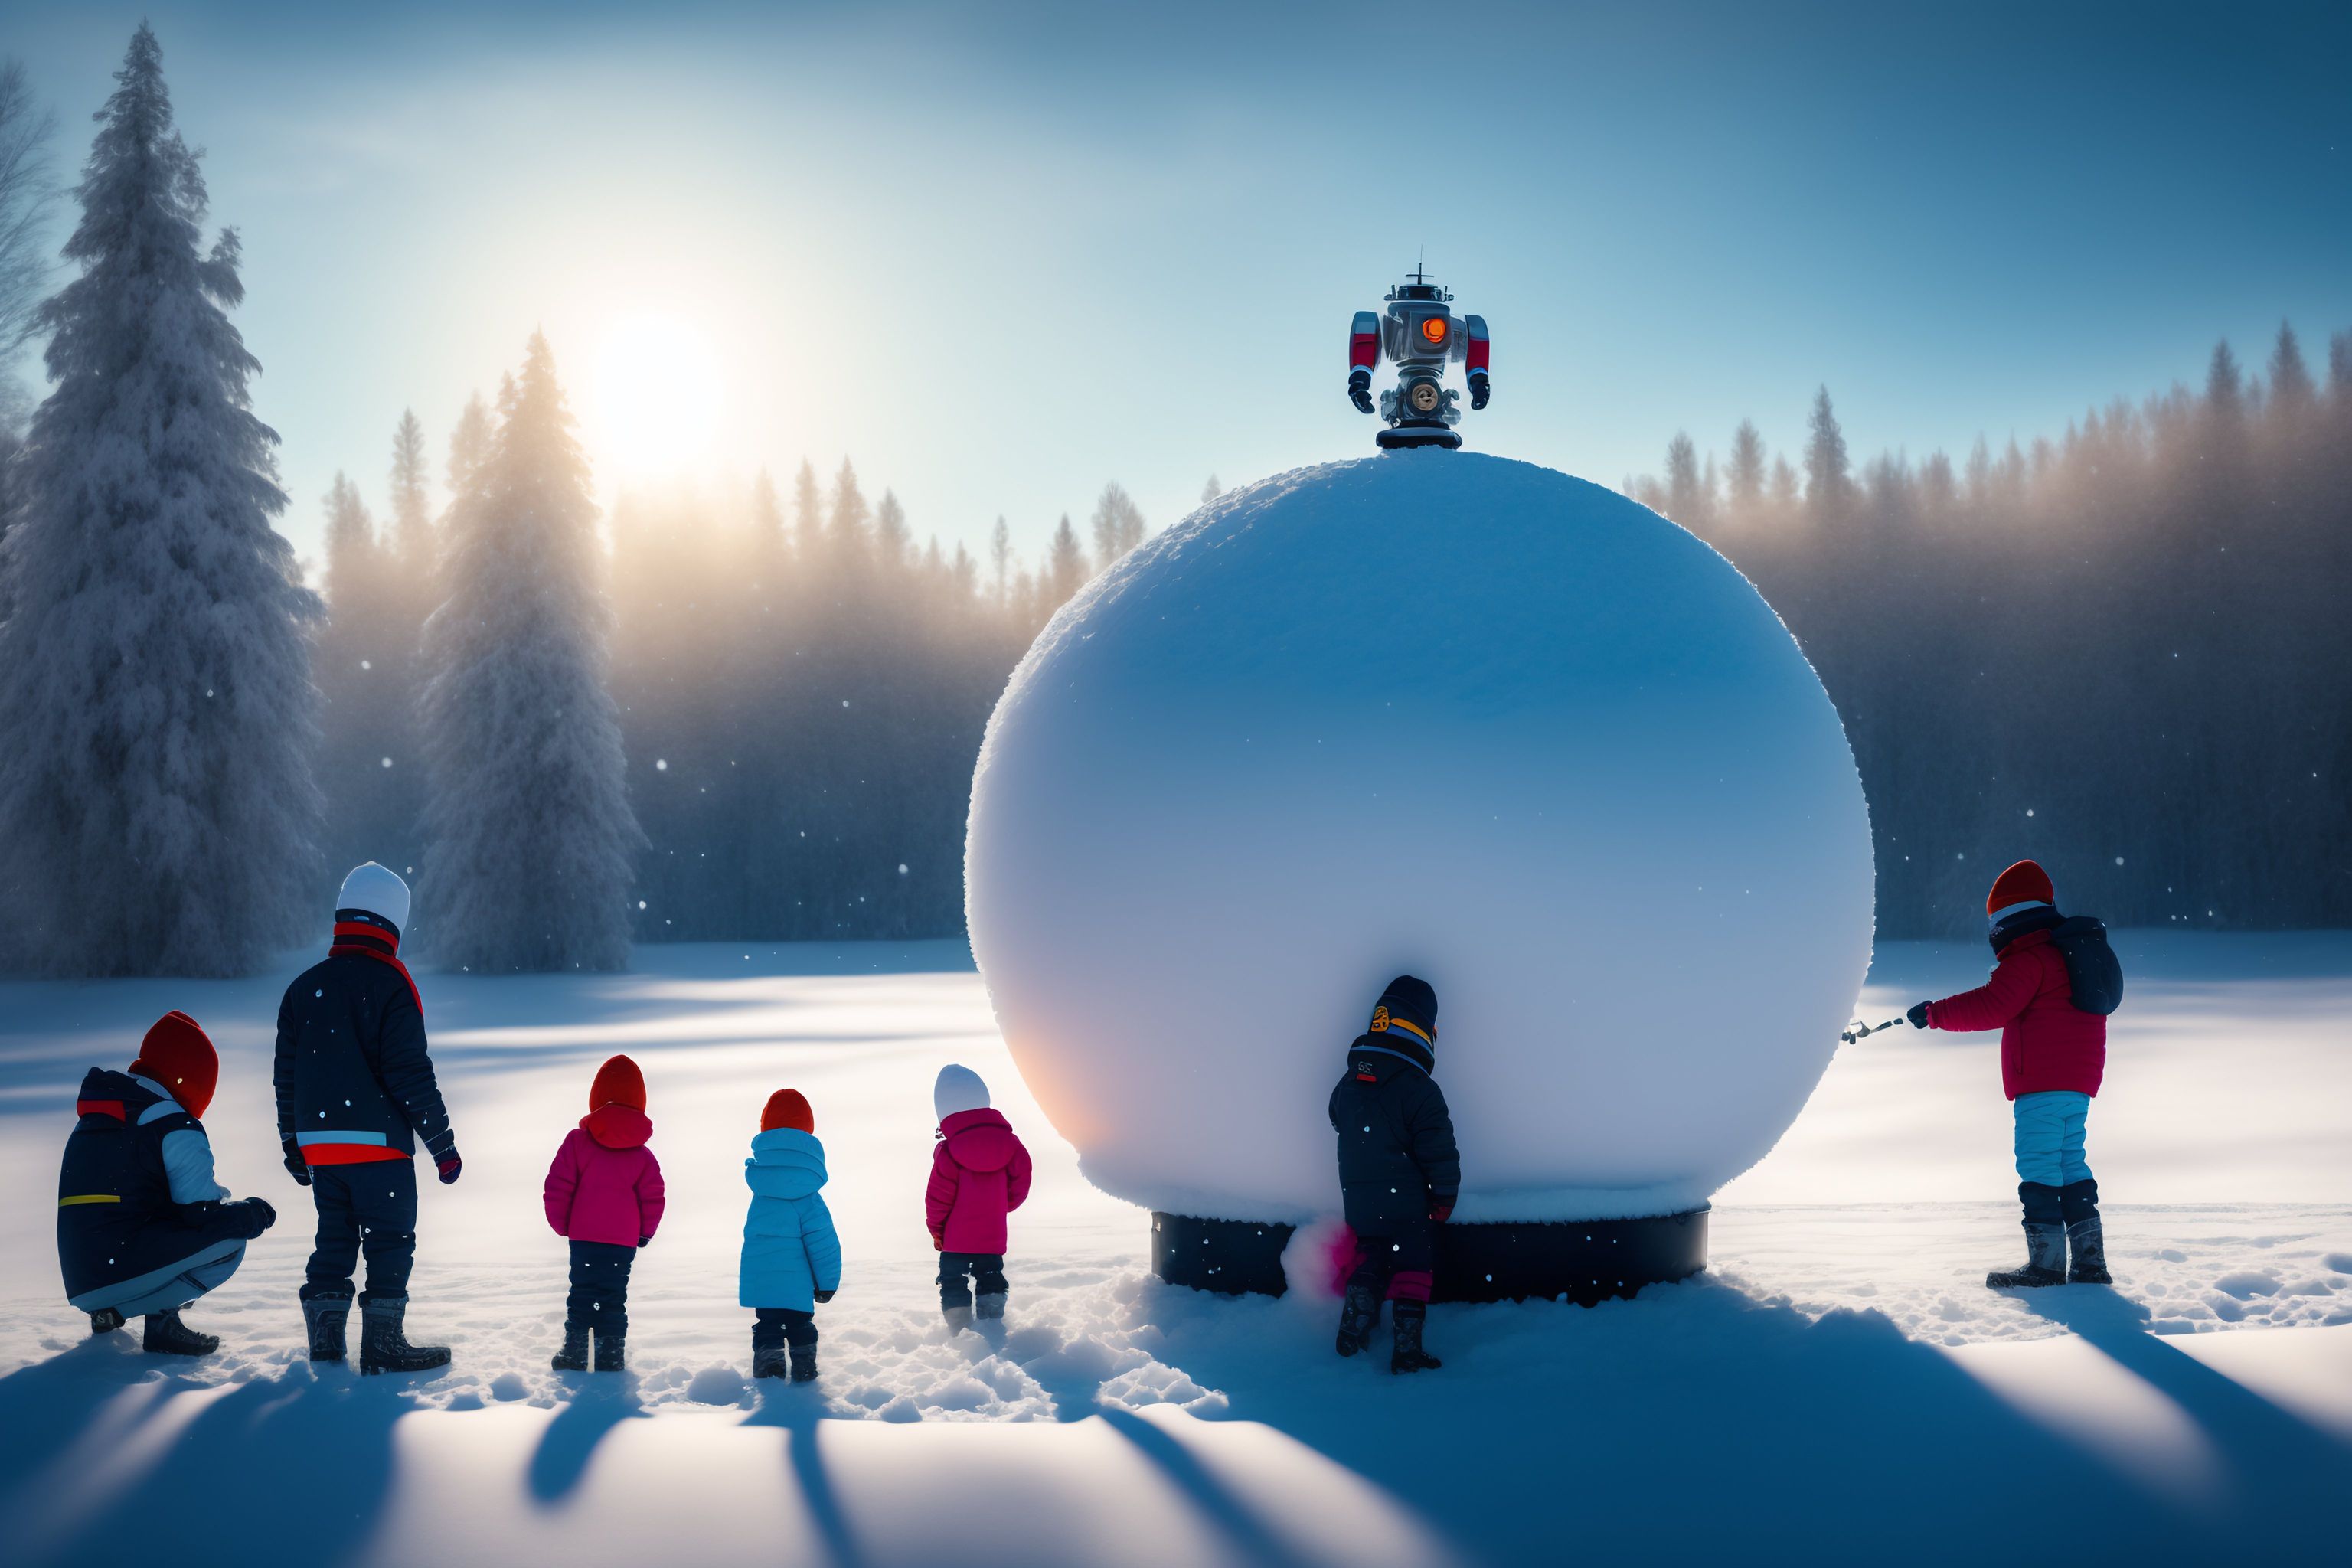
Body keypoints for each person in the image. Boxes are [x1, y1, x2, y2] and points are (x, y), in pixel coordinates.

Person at [274, 862, 461, 1373]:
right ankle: (382, 1342)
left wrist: (293, 1140)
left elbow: (286, 1076)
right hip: (378, 1146)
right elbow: (409, 1074)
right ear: (393, 924)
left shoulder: (303, 989)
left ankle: (326, 1336)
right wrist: (441, 1144)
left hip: (323, 1147)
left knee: (334, 1235)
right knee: (390, 1237)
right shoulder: (391, 987)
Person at [1909, 858, 2115, 1289]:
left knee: (2038, 1166)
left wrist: (1935, 1013)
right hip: (2077, 1083)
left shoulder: (2031, 958)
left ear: (2008, 918)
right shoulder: (2066, 955)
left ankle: (2046, 1266)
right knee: (2069, 1163)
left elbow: (1993, 1004)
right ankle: (2089, 1264)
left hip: (2041, 1081)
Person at [57, 1011, 277, 1354]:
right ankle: (148, 1321)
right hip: (115, 1274)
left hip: (82, 1278)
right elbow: (202, 1215)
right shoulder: (171, 1122)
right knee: (231, 1241)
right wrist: (253, 1214)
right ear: (192, 1075)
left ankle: (114, 1310)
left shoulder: (103, 1114)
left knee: (161, 1212)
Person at [1330, 975, 1459, 1374]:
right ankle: (1407, 1348)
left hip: (1359, 1195)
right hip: (1407, 1200)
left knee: (1372, 1251)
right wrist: (1444, 1196)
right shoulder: (1420, 1089)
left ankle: (1361, 1303)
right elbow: (1439, 1150)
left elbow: (1336, 1117)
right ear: (1423, 1029)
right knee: (1414, 1263)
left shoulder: (1350, 1080)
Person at [544, 1054, 665, 1372]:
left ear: (596, 1098)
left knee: (582, 1292)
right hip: (622, 1242)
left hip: (584, 1236)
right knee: (613, 1296)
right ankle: (611, 1356)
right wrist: (645, 1232)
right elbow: (653, 1197)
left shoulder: (577, 1143)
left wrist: (562, 1224)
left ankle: (575, 1353)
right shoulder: (643, 1156)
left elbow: (559, 1186)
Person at [740, 1088, 842, 1382]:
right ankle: (804, 1372)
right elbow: (823, 1243)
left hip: (763, 1284)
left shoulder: (761, 1191)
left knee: (767, 1327)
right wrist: (827, 1284)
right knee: (800, 1327)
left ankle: (769, 1374)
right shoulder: (808, 1198)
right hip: (798, 1288)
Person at [926, 1065, 1031, 1331]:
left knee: (953, 1279)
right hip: (992, 1233)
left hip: (955, 1238)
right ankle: (992, 1322)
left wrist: (937, 1231)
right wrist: (1001, 1207)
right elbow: (1022, 1179)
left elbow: (938, 1198)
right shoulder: (1011, 1144)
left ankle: (959, 1329)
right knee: (991, 1274)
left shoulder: (949, 1151)